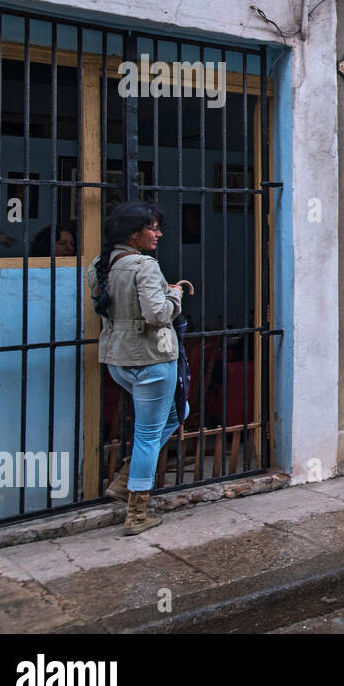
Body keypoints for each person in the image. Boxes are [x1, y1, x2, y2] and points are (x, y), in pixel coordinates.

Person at [87, 201, 192, 535]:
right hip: (152, 359)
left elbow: (103, 309)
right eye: (153, 228)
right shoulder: (144, 266)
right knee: (148, 435)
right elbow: (157, 315)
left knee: (180, 410)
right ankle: (138, 510)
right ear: (134, 234)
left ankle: (126, 478)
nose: (158, 233)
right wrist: (175, 294)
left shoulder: (99, 266)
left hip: (118, 359)